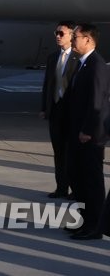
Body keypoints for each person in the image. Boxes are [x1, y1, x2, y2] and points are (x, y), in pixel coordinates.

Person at [64, 23, 109, 240]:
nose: (72, 41)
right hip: (79, 133)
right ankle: (85, 220)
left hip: (90, 135)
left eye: (75, 37)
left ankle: (95, 226)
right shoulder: (82, 64)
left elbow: (97, 102)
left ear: (88, 40)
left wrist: (87, 130)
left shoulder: (97, 65)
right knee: (76, 176)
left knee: (91, 181)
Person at [40, 21, 78, 199]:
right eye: (56, 33)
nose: (57, 36)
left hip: (71, 113)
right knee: (59, 153)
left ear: (72, 35)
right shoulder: (52, 57)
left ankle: (75, 189)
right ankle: (61, 188)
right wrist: (43, 108)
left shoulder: (78, 59)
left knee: (72, 154)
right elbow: (47, 85)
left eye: (61, 33)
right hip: (55, 111)